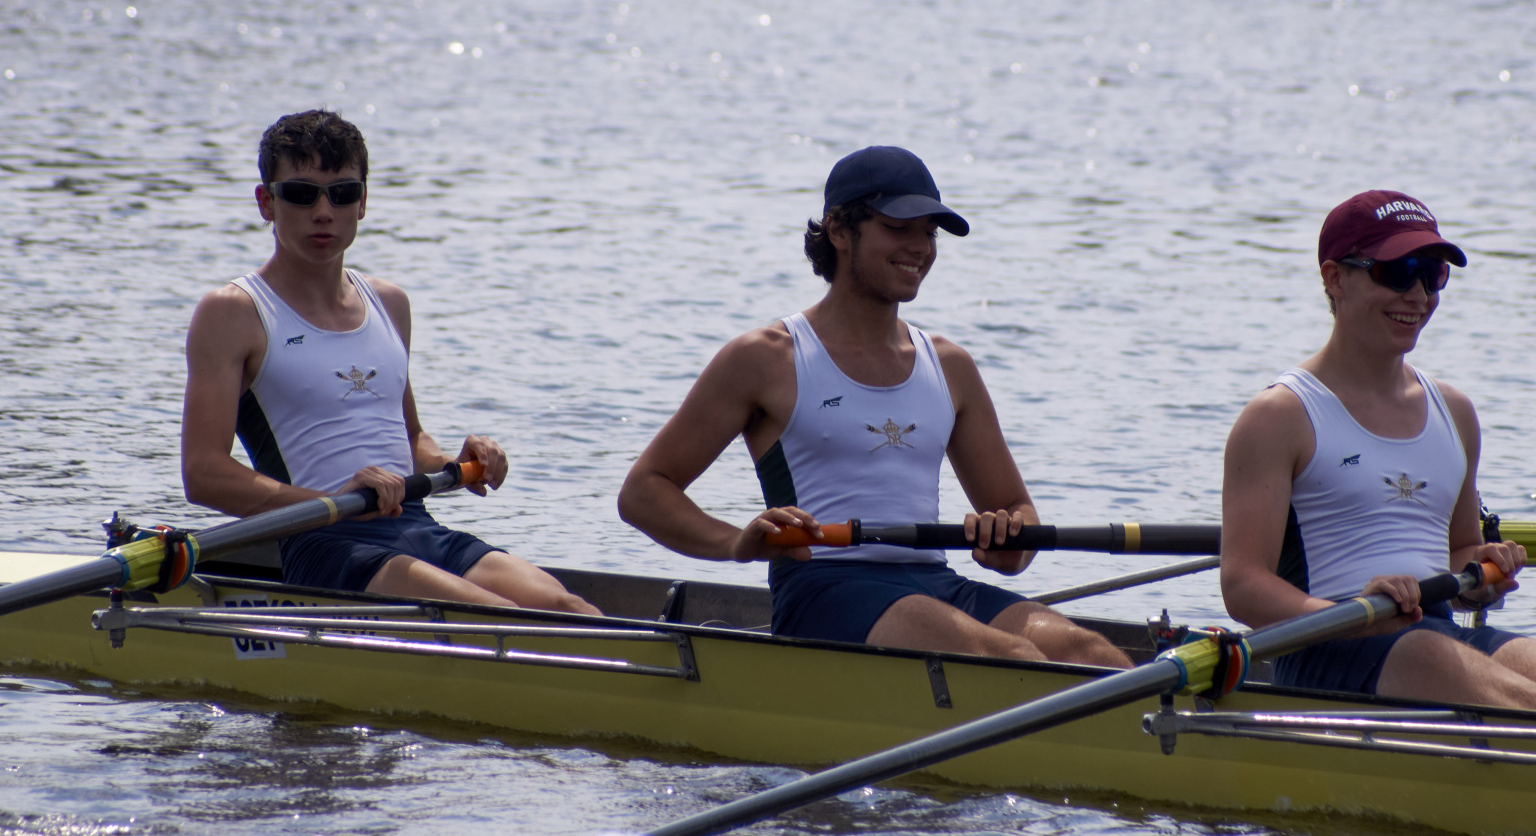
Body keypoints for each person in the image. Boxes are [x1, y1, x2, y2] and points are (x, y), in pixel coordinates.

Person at [618, 146, 1128, 666]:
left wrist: (1009, 543)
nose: (920, 249)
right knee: (1013, 658)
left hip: (934, 583)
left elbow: (1019, 515)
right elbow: (644, 491)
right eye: (898, 228)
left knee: (1095, 656)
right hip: (824, 590)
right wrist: (736, 543)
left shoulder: (950, 367)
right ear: (839, 231)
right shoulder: (765, 359)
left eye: (929, 233)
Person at [1220, 190, 1536, 717]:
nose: (1418, 294)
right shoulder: (1279, 417)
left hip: (1433, 634)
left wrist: (1481, 575)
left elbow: (1461, 548)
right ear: (1335, 278)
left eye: (1433, 275)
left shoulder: (1455, 411)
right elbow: (1243, 585)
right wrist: (1356, 613)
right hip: (1328, 648)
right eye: (1397, 273)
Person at [180, 110, 597, 614]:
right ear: (266, 202)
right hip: (326, 544)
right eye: (301, 193)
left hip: (418, 526)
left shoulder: (389, 303)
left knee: (573, 611)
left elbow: (411, 439)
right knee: (503, 618)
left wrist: (459, 463)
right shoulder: (233, 313)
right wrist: (328, 503)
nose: (323, 211)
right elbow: (203, 473)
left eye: (342, 193)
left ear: (363, 204)